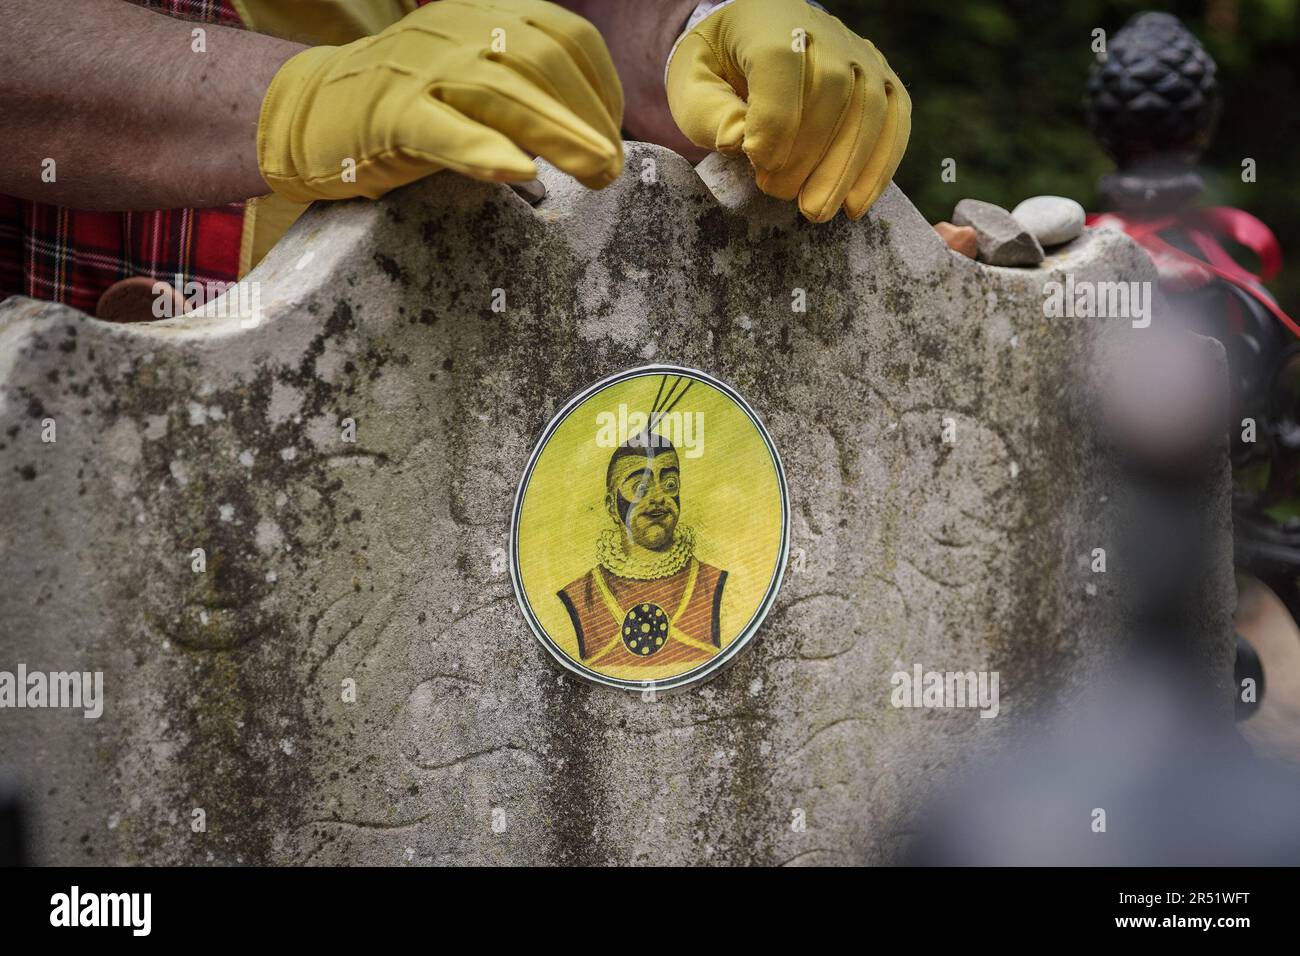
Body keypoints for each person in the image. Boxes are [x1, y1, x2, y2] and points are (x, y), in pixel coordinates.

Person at [0, 0, 910, 315]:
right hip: (82, 356)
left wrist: (694, 31)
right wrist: (298, 100)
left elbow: (581, 19)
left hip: (438, 357)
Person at [558, 434, 728, 670]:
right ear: (611, 505)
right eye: (640, 488)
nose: (658, 497)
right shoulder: (581, 597)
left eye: (670, 484)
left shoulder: (713, 583)